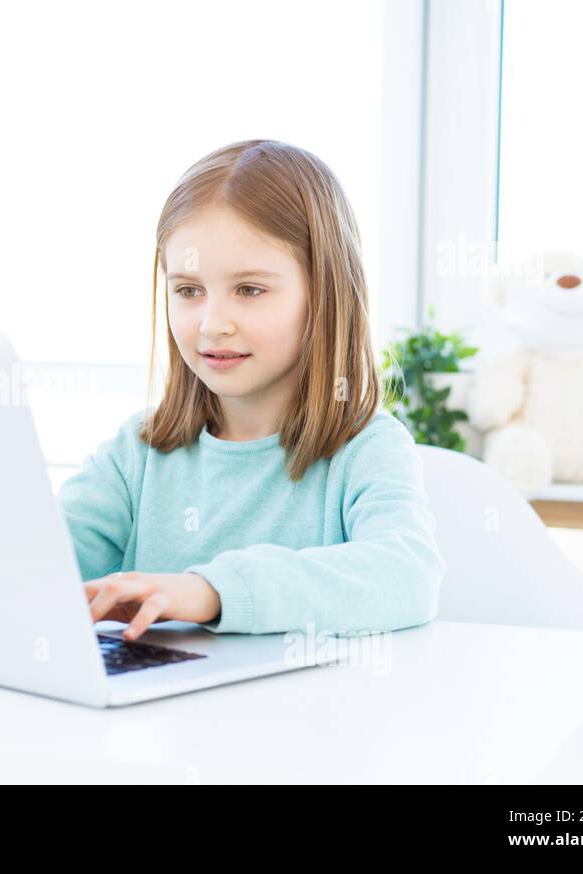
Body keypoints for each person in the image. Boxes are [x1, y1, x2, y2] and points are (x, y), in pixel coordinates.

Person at [60, 139, 445, 642]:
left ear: (324, 294)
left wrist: (213, 591)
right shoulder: (137, 453)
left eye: (249, 290)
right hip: (154, 719)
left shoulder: (367, 449)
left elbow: (406, 575)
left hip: (308, 718)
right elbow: (33, 565)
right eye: (189, 290)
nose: (212, 324)